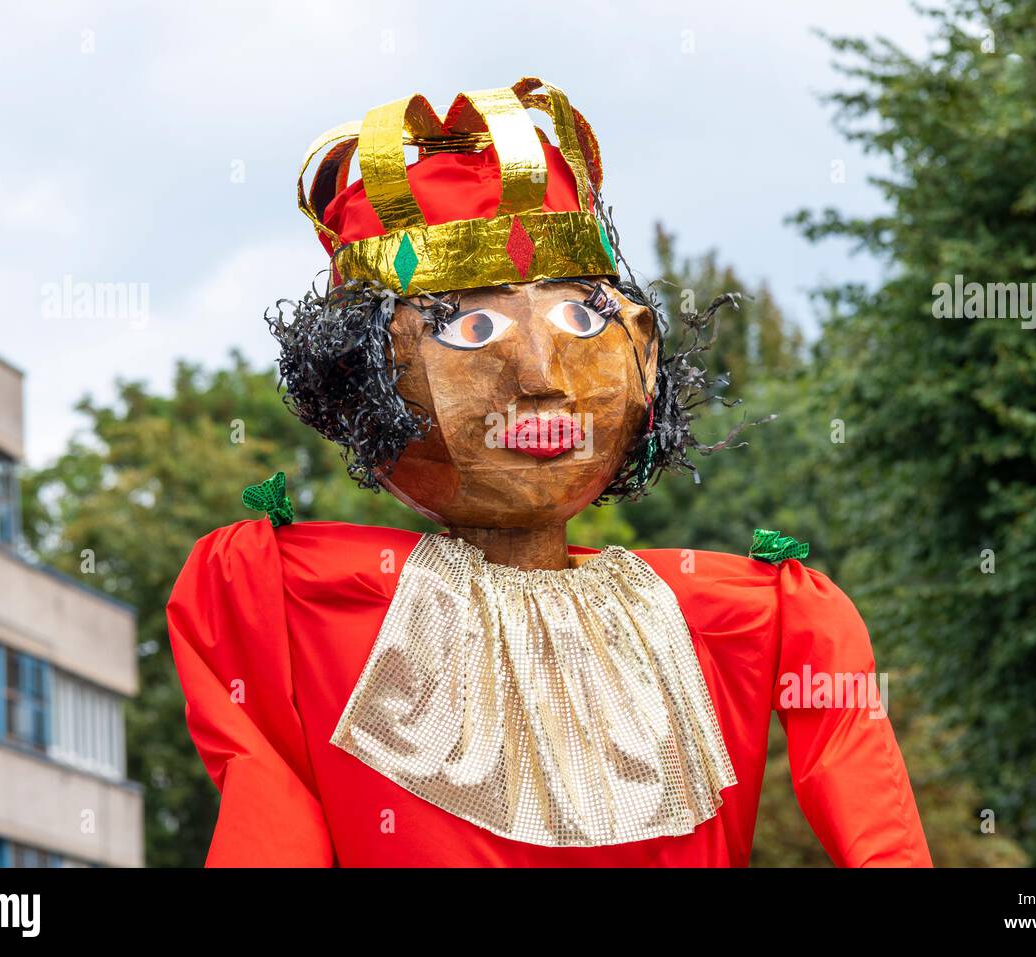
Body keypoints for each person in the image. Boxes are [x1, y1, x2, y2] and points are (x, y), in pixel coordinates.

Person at [166, 77, 932, 867]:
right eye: (470, 325)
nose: (541, 374)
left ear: (642, 347)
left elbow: (879, 831)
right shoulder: (274, 595)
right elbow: (269, 829)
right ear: (359, 376)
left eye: (579, 317)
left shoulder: (758, 614)